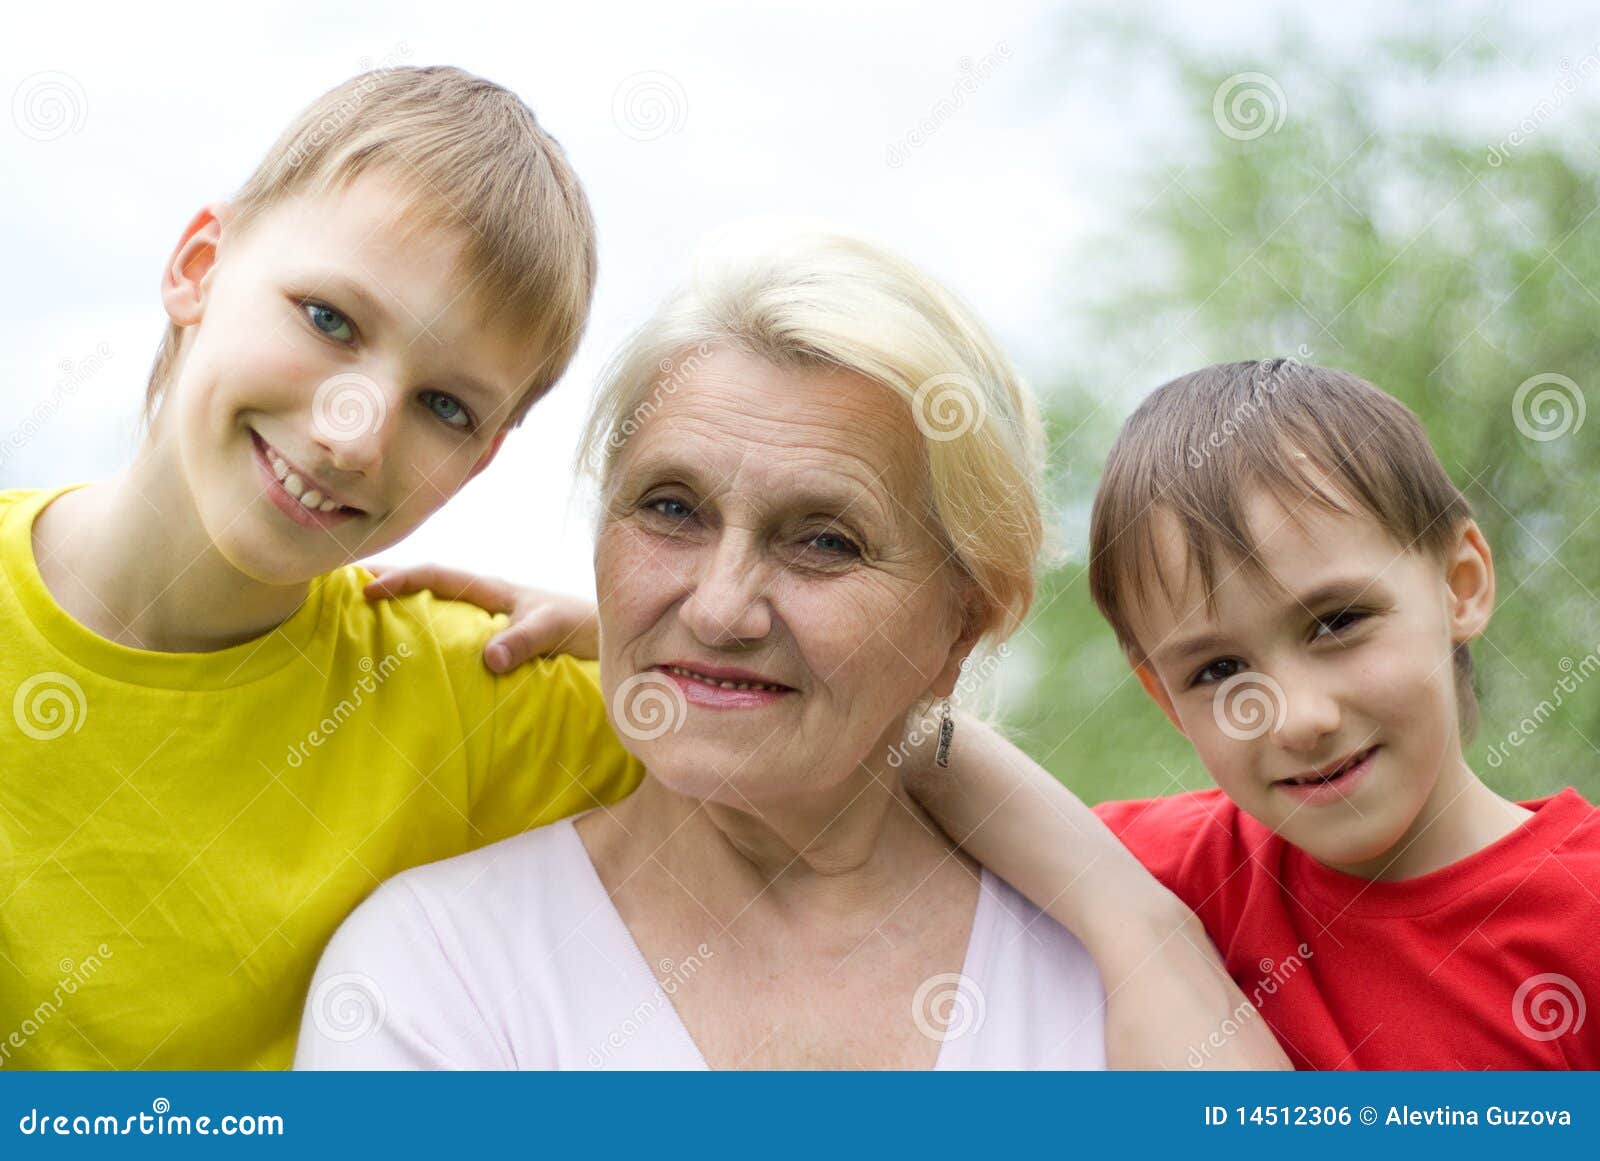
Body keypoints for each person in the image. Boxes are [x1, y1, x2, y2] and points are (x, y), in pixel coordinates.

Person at [295, 231, 1291, 1070]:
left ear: (963, 622)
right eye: (670, 509)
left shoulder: (1124, 994)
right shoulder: (436, 970)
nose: (723, 607)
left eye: (825, 541)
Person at [0, 66, 641, 1069]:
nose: (354, 435)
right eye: (329, 320)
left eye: (444, 407)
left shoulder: (480, 695)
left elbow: (895, 758)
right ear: (199, 267)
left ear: (480, 462)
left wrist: (656, 644)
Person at [909, 359, 1600, 1069]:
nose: (1297, 718)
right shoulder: (1169, 869)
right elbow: (910, 748)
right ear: (1165, 700)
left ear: (1462, 585)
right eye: (1218, 671)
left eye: (1338, 622)